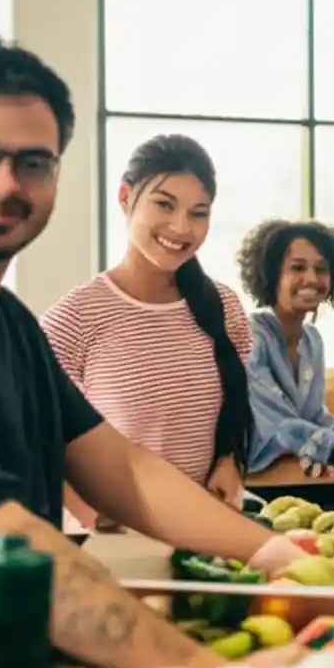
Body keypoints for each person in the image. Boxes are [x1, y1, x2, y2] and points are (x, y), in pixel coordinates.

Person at [0, 38, 303, 668]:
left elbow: (121, 468)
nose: (3, 184)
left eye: (32, 163)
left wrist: (274, 554)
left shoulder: (7, 319)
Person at [42, 134, 250, 533]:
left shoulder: (224, 308)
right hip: (117, 543)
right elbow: (31, 439)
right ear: (125, 197)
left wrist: (229, 462)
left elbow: (235, 408)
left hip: (204, 535)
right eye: (164, 204)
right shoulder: (75, 318)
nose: (180, 227)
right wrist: (88, 514)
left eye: (198, 212)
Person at [236, 218, 334, 480]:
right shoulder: (248, 336)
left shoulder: (312, 340)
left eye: (322, 269)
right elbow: (274, 424)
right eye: (297, 268)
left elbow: (314, 417)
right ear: (272, 274)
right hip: (250, 481)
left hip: (296, 477)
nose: (312, 279)